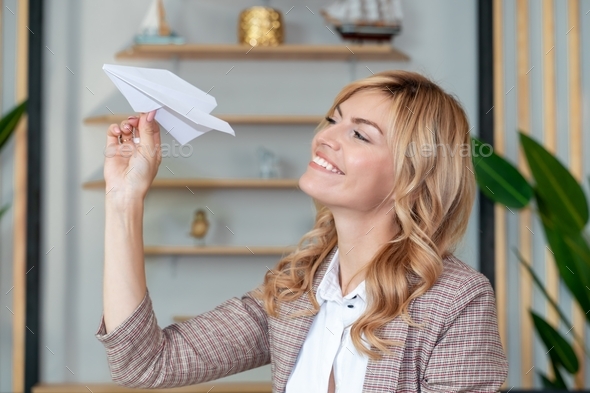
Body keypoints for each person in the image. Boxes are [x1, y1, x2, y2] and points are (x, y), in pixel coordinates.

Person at [96, 70, 509, 393]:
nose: (325, 137)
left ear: (413, 177)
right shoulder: (297, 288)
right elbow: (145, 363)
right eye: (333, 119)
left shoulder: (457, 301)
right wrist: (124, 199)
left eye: (359, 134)